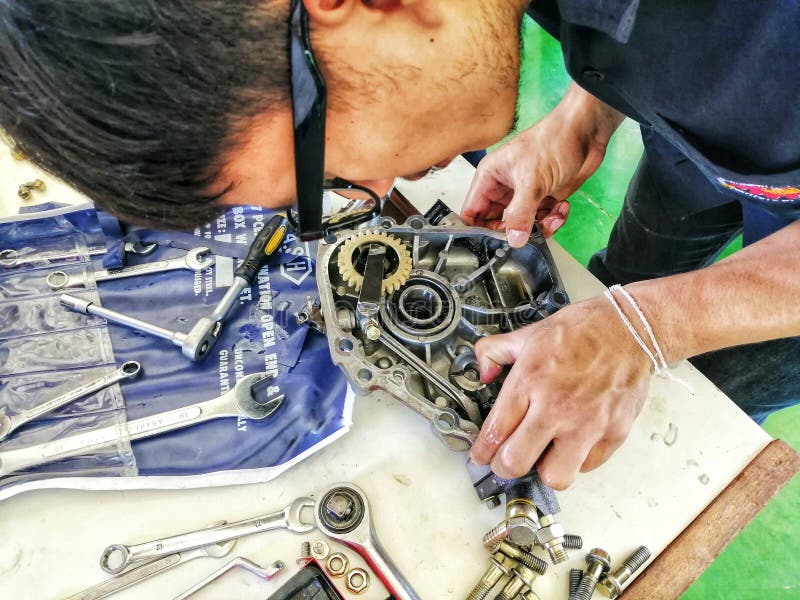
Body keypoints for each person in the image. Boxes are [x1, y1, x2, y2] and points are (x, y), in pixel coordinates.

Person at [1, 1, 797, 491]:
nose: (376, 191)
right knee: (636, 260)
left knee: (708, 406)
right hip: (712, 145)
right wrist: (581, 117)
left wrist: (655, 328)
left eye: (333, 170)